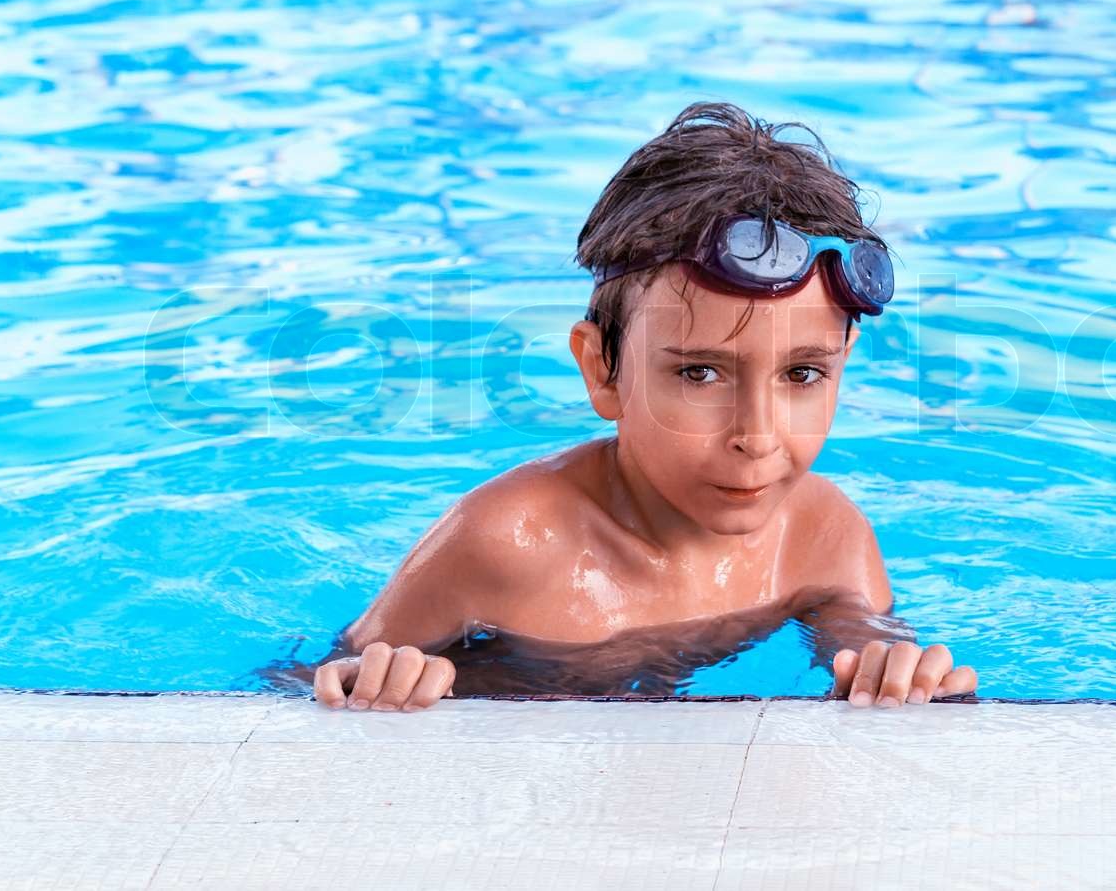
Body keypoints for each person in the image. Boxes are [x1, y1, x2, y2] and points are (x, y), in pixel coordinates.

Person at [313, 101, 979, 712]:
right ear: (602, 370)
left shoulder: (825, 539)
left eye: (802, 373)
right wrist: (378, 680)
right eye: (699, 372)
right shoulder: (503, 544)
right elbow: (313, 685)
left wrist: (904, 674)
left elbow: (873, 660)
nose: (758, 434)